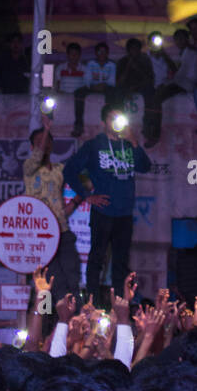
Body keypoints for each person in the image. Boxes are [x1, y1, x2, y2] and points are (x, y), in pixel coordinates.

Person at [63, 104, 152, 303]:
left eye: (120, 119)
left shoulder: (129, 145)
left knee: (121, 264)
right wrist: (87, 196)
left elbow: (146, 167)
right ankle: (92, 304)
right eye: (112, 118)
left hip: (124, 213)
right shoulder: (94, 145)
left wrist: (133, 141)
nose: (117, 123)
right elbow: (69, 170)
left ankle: (120, 305)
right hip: (103, 212)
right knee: (97, 260)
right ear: (104, 123)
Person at [23, 118, 107, 303]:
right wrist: (46, 129)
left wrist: (78, 199)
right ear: (32, 148)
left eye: (47, 142)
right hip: (40, 235)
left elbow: (87, 181)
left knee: (73, 277)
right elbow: (37, 157)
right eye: (39, 143)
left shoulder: (61, 169)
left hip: (62, 230)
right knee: (49, 283)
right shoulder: (29, 169)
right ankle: (45, 323)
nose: (44, 146)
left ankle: (72, 321)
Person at [143, 28, 197, 146]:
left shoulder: (188, 53)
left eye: (182, 38)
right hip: (158, 86)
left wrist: (164, 56)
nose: (179, 41)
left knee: (156, 99)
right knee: (153, 100)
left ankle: (153, 133)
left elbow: (178, 72)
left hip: (182, 84)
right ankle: (150, 130)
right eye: (177, 39)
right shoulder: (145, 57)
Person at [71, 42, 117, 138]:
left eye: (104, 52)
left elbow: (112, 81)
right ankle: (78, 126)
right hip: (92, 87)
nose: (101, 54)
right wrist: (92, 86)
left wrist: (103, 85)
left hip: (106, 87)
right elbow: (87, 79)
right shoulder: (91, 64)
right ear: (96, 53)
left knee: (113, 94)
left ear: (107, 53)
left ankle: (110, 125)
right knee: (79, 93)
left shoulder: (112, 65)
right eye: (99, 51)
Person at [114, 38, 155, 129]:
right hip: (126, 87)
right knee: (118, 92)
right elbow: (119, 82)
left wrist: (137, 68)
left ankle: (148, 123)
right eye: (132, 49)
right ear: (128, 50)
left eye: (136, 49)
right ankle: (119, 121)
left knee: (150, 91)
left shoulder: (145, 60)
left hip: (141, 86)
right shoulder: (122, 61)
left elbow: (150, 80)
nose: (134, 51)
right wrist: (128, 66)